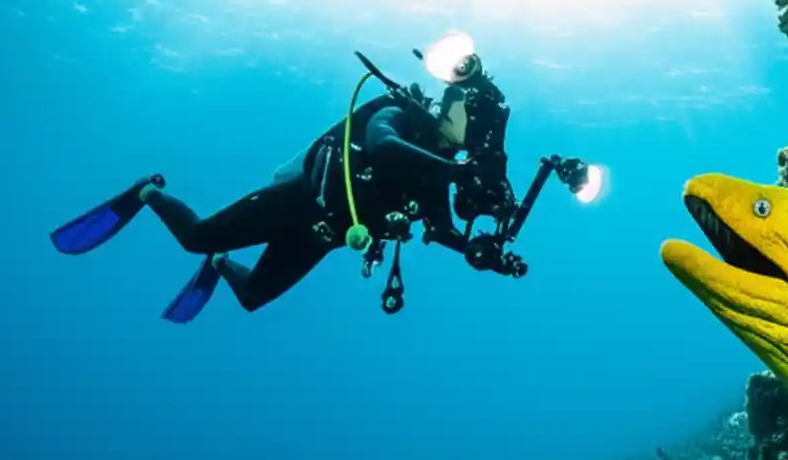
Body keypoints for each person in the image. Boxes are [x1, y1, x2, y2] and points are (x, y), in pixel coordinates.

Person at [51, 80, 504, 320]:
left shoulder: (434, 174)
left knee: (251, 298)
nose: (477, 129)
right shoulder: (400, 115)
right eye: (473, 114)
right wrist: (456, 170)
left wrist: (483, 253)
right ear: (449, 104)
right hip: (296, 200)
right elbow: (382, 144)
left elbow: (441, 230)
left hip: (323, 237)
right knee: (196, 237)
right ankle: (145, 191)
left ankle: (221, 265)